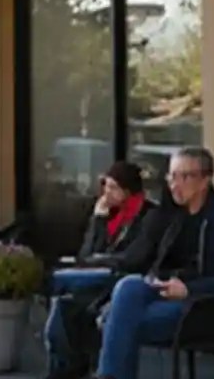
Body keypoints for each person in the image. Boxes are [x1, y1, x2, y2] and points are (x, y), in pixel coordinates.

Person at [92, 147, 214, 379]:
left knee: (122, 323)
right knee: (130, 286)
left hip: (212, 306)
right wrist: (160, 280)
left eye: (184, 176)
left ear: (205, 180)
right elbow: (154, 260)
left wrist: (189, 289)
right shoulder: (176, 217)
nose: (175, 184)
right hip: (173, 295)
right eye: (172, 176)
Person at [45, 161, 154, 379]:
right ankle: (66, 369)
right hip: (98, 274)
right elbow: (86, 254)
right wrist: (98, 221)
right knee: (65, 304)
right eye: (105, 186)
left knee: (64, 288)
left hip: (122, 278)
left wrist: (101, 261)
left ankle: (73, 369)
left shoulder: (148, 215)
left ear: (127, 190)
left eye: (113, 187)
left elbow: (135, 258)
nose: (106, 193)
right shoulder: (110, 215)